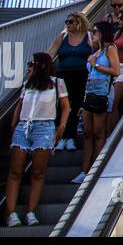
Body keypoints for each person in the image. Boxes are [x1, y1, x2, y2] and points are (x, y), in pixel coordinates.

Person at [4, 52, 69, 226]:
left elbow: (65, 107)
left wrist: (61, 126)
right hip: (23, 127)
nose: (29, 67)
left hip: (45, 128)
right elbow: (20, 106)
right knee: (15, 170)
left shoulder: (57, 83)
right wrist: (13, 126)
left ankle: (31, 212)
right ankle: (11, 214)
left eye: (32, 64)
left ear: (42, 65)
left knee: (38, 172)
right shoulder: (27, 85)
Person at [76, 21, 119, 183]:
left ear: (102, 32)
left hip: (102, 92)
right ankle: (84, 170)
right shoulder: (96, 51)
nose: (92, 35)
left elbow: (116, 71)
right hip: (90, 91)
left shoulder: (110, 49)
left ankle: (95, 169)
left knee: (98, 132)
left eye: (95, 31)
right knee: (87, 132)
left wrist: (97, 65)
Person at [47, 12, 92, 150]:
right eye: (66, 22)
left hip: (81, 74)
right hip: (63, 75)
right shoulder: (63, 36)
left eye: (71, 22)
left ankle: (70, 137)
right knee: (62, 106)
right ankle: (60, 138)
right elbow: (50, 53)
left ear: (79, 22)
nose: (68, 24)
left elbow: (96, 51)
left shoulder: (88, 36)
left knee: (76, 105)